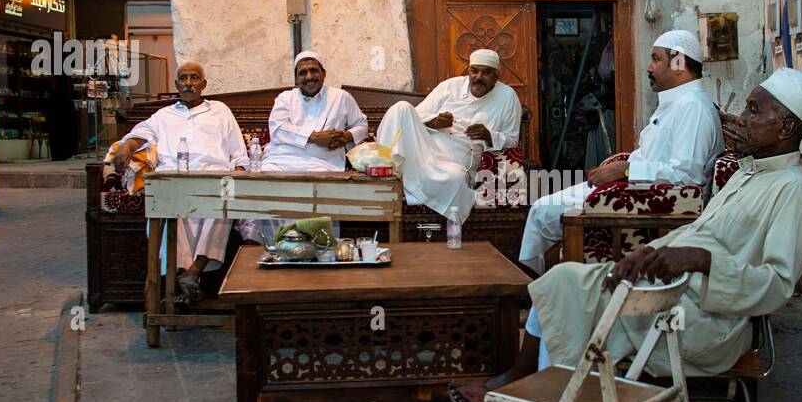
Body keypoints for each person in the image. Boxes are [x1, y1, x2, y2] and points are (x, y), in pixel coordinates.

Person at [457, 67, 802, 402]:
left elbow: (776, 284)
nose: (742, 119)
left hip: (714, 318)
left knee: (587, 305)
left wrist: (701, 261)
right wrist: (650, 252)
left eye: (755, 112)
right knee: (563, 280)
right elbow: (698, 232)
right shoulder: (748, 173)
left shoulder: (794, 191)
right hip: (679, 294)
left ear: (788, 127)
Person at [518, 29, 724, 274]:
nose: (649, 67)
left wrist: (625, 169)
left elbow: (686, 176)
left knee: (542, 212)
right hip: (636, 191)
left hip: (648, 205)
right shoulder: (678, 104)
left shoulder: (693, 108)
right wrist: (620, 169)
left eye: (656, 59)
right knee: (542, 209)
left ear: (679, 63)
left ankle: (541, 295)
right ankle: (548, 294)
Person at [110, 61, 248, 305]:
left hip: (213, 179)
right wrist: (126, 147)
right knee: (163, 208)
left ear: (203, 84)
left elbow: (238, 151)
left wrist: (238, 171)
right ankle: (186, 279)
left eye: (194, 78)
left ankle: (191, 273)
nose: (188, 83)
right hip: (173, 180)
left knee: (225, 205)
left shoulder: (219, 111)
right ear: (176, 85)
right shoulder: (164, 115)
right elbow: (140, 134)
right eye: (183, 78)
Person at [375, 48, 521, 223]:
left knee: (456, 180)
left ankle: (411, 187)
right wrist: (433, 121)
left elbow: (512, 140)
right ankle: (385, 171)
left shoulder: (508, 96)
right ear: (468, 71)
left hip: (456, 161)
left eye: (486, 73)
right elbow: (415, 115)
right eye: (474, 71)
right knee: (401, 108)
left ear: (497, 76)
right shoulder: (449, 86)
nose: (479, 77)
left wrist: (489, 136)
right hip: (427, 150)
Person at [238, 51, 368, 245]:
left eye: (314, 71)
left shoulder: (341, 97)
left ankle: (314, 248)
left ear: (324, 73)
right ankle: (263, 246)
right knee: (261, 184)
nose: (309, 77)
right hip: (280, 160)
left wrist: (346, 137)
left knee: (318, 189)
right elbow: (278, 128)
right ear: (296, 78)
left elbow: (362, 124)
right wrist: (314, 136)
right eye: (303, 72)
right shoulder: (285, 98)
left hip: (322, 162)